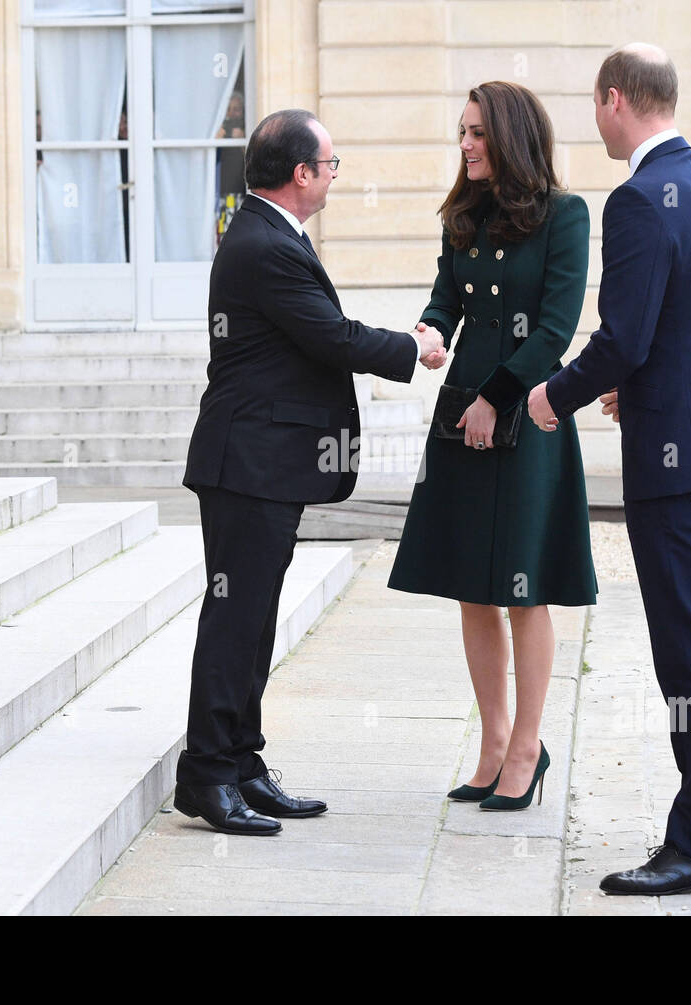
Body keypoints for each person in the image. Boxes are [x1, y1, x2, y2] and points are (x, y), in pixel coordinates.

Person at [528, 43, 691, 893]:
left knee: (689, 650)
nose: (595, 121)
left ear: (618, 99)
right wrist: (648, 381)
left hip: (675, 460)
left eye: (596, 106)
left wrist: (554, 395)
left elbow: (625, 336)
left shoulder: (635, 200)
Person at [176, 109, 447, 836]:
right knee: (236, 619)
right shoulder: (265, 244)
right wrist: (411, 346)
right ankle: (207, 773)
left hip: (265, 462)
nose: (333, 174)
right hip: (248, 462)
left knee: (253, 617)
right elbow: (329, 337)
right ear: (301, 174)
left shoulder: (269, 234)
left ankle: (241, 762)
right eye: (330, 164)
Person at [388, 82, 597, 812]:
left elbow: (556, 329)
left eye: (477, 133)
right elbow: (446, 294)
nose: (467, 145)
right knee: (473, 587)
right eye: (462, 134)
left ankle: (529, 747)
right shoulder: (464, 214)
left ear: (509, 135)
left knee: (521, 586)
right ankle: (493, 742)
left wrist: (494, 398)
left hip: (526, 412)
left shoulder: (567, 216)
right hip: (461, 410)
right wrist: (430, 331)